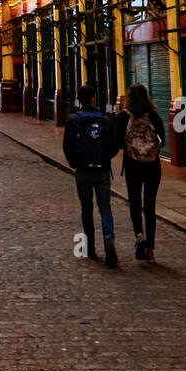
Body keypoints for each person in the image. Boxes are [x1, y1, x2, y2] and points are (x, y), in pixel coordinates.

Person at [63, 83, 119, 266]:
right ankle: (109, 239)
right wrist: (105, 158)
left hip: (83, 171)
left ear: (79, 99)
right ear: (94, 98)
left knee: (86, 208)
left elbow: (67, 146)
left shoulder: (73, 120)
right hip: (102, 170)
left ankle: (89, 246)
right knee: (105, 208)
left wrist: (75, 163)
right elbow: (114, 145)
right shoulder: (105, 119)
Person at [114, 83, 165, 263]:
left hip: (133, 165)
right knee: (150, 206)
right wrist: (150, 150)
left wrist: (131, 148)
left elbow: (117, 142)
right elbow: (163, 139)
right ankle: (150, 248)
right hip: (152, 166)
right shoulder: (153, 115)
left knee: (135, 202)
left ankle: (139, 236)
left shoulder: (123, 116)